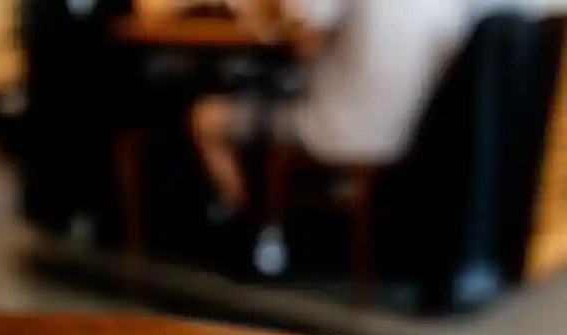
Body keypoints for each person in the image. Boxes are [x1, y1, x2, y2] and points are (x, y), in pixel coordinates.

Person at [189, 0, 473, 216]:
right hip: (408, 135)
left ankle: (240, 221)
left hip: (334, 128)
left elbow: (305, 45)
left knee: (206, 116)